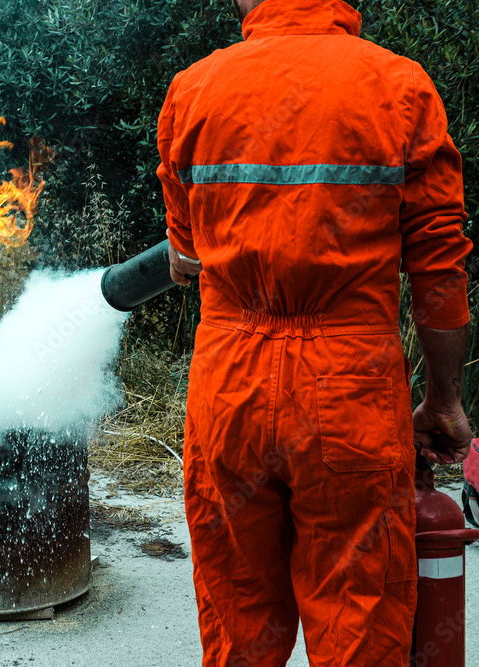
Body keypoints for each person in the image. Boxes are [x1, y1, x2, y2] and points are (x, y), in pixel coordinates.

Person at [156, 0, 474, 664]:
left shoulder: (192, 90)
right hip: (349, 391)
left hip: (228, 390)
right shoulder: (400, 87)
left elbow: (184, 260)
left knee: (239, 621)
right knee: (358, 621)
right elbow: (440, 276)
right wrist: (443, 398)